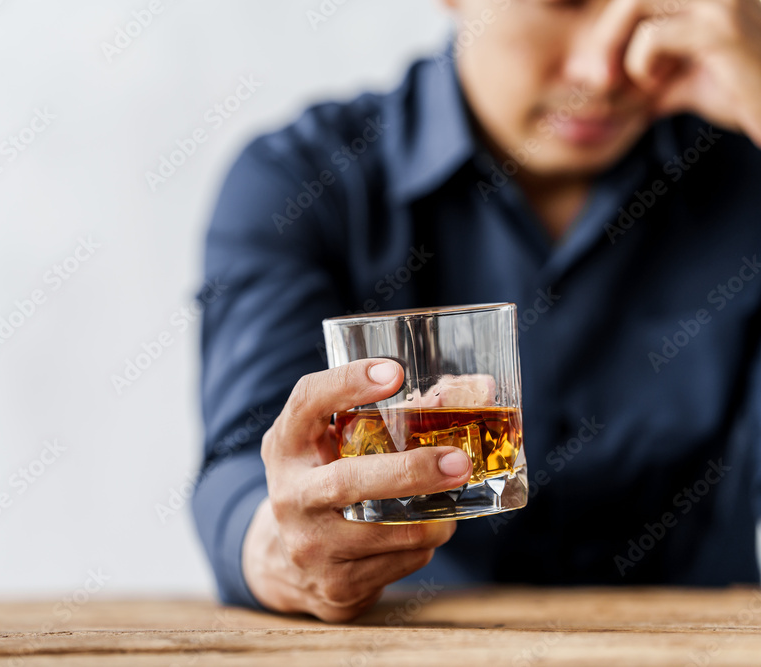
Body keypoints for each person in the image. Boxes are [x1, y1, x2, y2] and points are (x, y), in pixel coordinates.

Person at [192, 0, 761, 622]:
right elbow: (248, 458)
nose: (604, 73)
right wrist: (284, 545)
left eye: (657, 7)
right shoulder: (303, 182)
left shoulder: (747, 161)